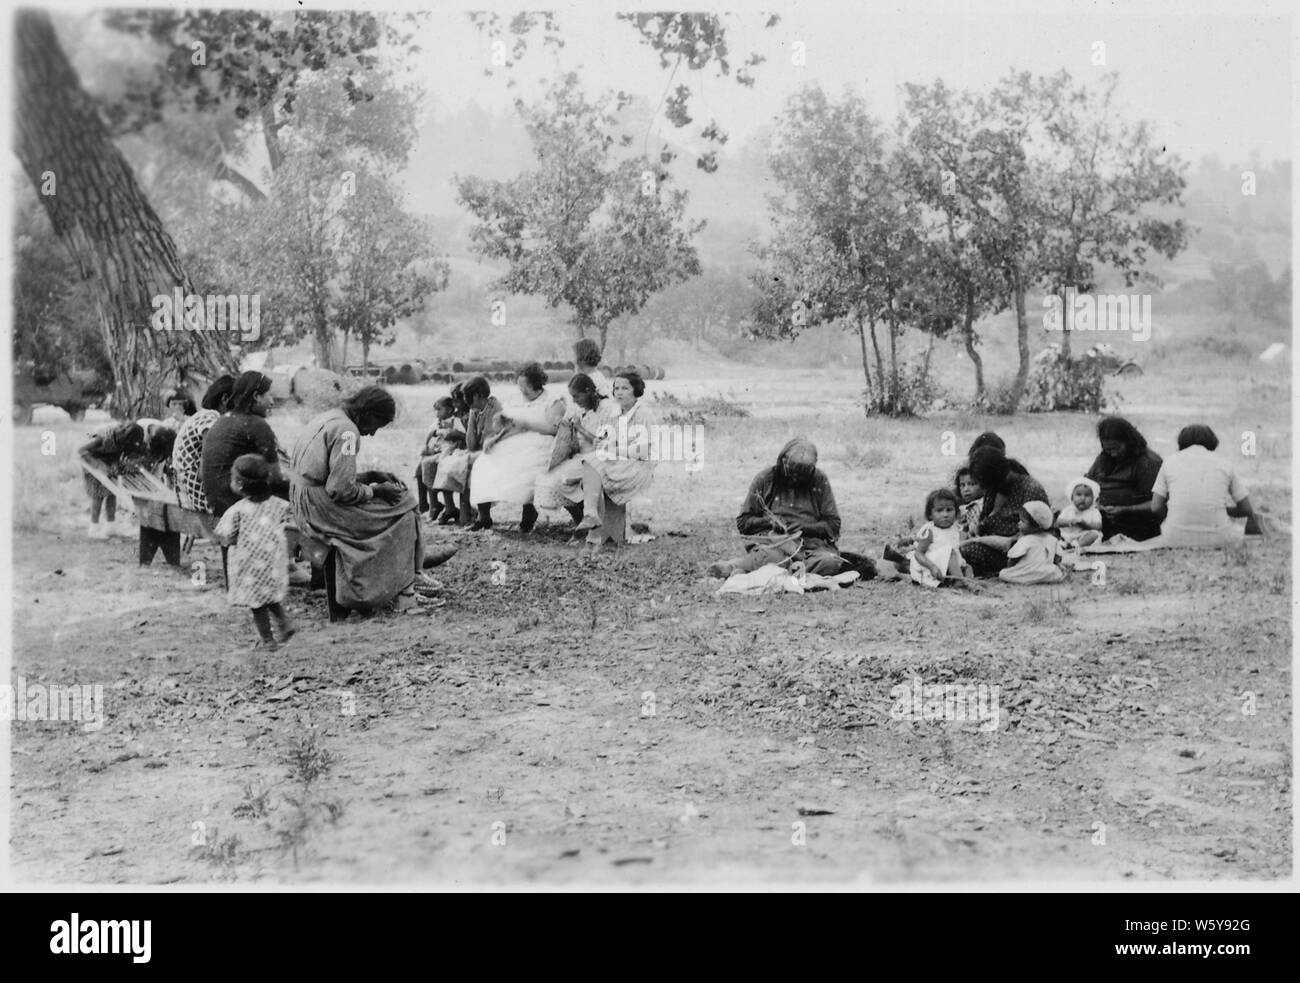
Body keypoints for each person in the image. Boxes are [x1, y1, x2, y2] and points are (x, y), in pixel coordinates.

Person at [289, 386, 439, 614]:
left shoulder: (328, 417)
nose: (373, 433)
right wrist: (376, 491)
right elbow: (339, 490)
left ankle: (409, 578)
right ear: (368, 413)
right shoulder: (348, 432)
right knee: (404, 511)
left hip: (303, 500)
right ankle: (405, 591)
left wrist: (368, 477)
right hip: (320, 508)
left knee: (401, 505)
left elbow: (319, 475)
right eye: (377, 425)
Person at [707, 437, 849, 578]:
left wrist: (804, 528)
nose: (795, 480)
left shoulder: (819, 480)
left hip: (811, 548)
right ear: (783, 461)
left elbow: (833, 525)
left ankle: (755, 570)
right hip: (774, 546)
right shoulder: (765, 479)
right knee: (771, 558)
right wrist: (770, 523)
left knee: (830, 562)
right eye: (792, 473)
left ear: (811, 471)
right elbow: (743, 522)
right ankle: (736, 567)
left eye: (801, 476)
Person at [469, 362, 565, 532]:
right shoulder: (514, 400)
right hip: (512, 439)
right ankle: (484, 516)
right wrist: (495, 439)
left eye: (525, 385)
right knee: (484, 462)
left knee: (526, 466)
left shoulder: (552, 401)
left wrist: (527, 424)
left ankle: (528, 514)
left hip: (540, 441)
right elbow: (507, 424)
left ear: (536, 383)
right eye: (519, 384)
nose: (521, 389)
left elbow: (554, 429)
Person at [214, 454, 296, 650]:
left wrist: (236, 540)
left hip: (251, 568)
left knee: (257, 604)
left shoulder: (238, 511)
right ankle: (285, 624)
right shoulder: (278, 504)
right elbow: (290, 516)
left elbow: (225, 535)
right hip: (273, 565)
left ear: (240, 484)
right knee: (271, 597)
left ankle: (267, 640)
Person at [573, 370, 659, 547]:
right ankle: (591, 516)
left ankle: (593, 524)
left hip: (638, 465)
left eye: (625, 388)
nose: (619, 392)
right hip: (618, 459)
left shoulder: (644, 414)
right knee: (590, 462)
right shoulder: (615, 413)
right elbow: (607, 438)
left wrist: (614, 449)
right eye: (616, 388)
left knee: (594, 465)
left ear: (636, 390)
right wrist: (601, 441)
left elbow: (644, 451)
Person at [1145, 424, 1259, 547]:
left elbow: (1155, 507)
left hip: (1174, 538)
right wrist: (1219, 509)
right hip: (1220, 538)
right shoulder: (1225, 464)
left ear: (1181, 442)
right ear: (1212, 443)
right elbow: (1247, 509)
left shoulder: (1169, 462)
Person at [201, 371, 284, 518]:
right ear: (256, 397)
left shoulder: (223, 420)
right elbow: (276, 477)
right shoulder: (256, 424)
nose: (272, 402)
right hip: (236, 506)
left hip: (216, 502)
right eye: (268, 395)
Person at [534, 373, 611, 528]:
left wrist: (580, 429)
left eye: (577, 396)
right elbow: (567, 421)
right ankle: (582, 518)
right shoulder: (578, 407)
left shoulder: (606, 409)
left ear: (589, 391)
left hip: (600, 457)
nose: (575, 400)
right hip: (580, 456)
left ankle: (589, 516)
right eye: (572, 397)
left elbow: (602, 443)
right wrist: (562, 423)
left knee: (562, 478)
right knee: (553, 478)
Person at [960, 446, 1050, 576]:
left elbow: (1023, 540)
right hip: (990, 544)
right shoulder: (995, 489)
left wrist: (979, 540)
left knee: (966, 551)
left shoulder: (1031, 490)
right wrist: (977, 531)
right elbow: (986, 520)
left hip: (1015, 553)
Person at [435, 376, 502, 527]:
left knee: (471, 465)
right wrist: (472, 417)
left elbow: (489, 441)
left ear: (478, 395)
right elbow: (471, 444)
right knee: (448, 462)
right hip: (480, 450)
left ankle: (482, 517)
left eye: (468, 397)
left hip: (496, 451)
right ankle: (453, 509)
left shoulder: (495, 408)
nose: (465, 402)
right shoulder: (475, 410)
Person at [1085, 416, 1164, 541]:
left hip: (1137, 525)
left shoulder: (1148, 462)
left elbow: (1158, 505)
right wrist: (1094, 504)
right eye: (1108, 449)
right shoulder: (1104, 459)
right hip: (1102, 520)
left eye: (1116, 448)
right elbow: (1087, 484)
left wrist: (1124, 510)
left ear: (1129, 441)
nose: (1113, 453)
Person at [172, 375, 235, 513]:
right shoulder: (209, 417)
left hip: (186, 492)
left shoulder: (202, 416)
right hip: (197, 494)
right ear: (225, 399)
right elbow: (207, 470)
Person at [78, 421, 146, 539]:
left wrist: (114, 465)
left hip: (108, 463)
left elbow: (117, 455)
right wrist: (98, 465)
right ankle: (94, 528)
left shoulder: (123, 442)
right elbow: (82, 451)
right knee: (97, 496)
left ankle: (110, 526)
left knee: (111, 493)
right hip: (92, 462)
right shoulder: (102, 437)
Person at [909, 488, 974, 588]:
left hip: (949, 563)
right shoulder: (930, 531)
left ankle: (969, 581)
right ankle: (959, 581)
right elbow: (919, 553)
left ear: (956, 512)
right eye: (939, 511)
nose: (945, 514)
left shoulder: (955, 528)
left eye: (949, 510)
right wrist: (932, 567)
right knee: (950, 553)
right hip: (931, 565)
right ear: (930, 514)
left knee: (968, 567)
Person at [415, 397, 465, 521]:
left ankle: (443, 507)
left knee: (438, 464)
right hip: (438, 448)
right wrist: (426, 445)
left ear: (449, 410)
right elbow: (430, 433)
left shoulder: (456, 421)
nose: (437, 413)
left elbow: (462, 434)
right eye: (435, 411)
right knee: (424, 465)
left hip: (451, 449)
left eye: (439, 410)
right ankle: (432, 504)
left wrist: (449, 432)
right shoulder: (437, 422)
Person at [996, 502, 1065, 585]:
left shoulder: (1025, 540)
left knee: (1003, 573)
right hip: (1047, 573)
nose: (1019, 523)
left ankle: (1028, 579)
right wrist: (1055, 564)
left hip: (1027, 572)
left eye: (1022, 521)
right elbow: (1057, 558)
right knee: (1057, 571)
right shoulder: (1053, 540)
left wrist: (1010, 568)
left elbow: (1013, 559)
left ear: (1035, 526)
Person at [1055, 477, 1104, 550]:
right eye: (1079, 495)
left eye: (1087, 495)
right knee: (1055, 534)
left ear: (1093, 499)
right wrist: (1069, 522)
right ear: (1072, 497)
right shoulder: (1068, 510)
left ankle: (1075, 545)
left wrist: (1086, 524)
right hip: (1067, 535)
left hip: (1084, 535)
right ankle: (1064, 543)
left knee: (1094, 534)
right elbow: (1058, 522)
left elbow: (1098, 526)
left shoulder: (1094, 512)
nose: (1083, 498)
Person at [955, 465, 984, 538]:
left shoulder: (979, 505)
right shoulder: (961, 506)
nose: (966, 489)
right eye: (962, 485)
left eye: (971, 484)